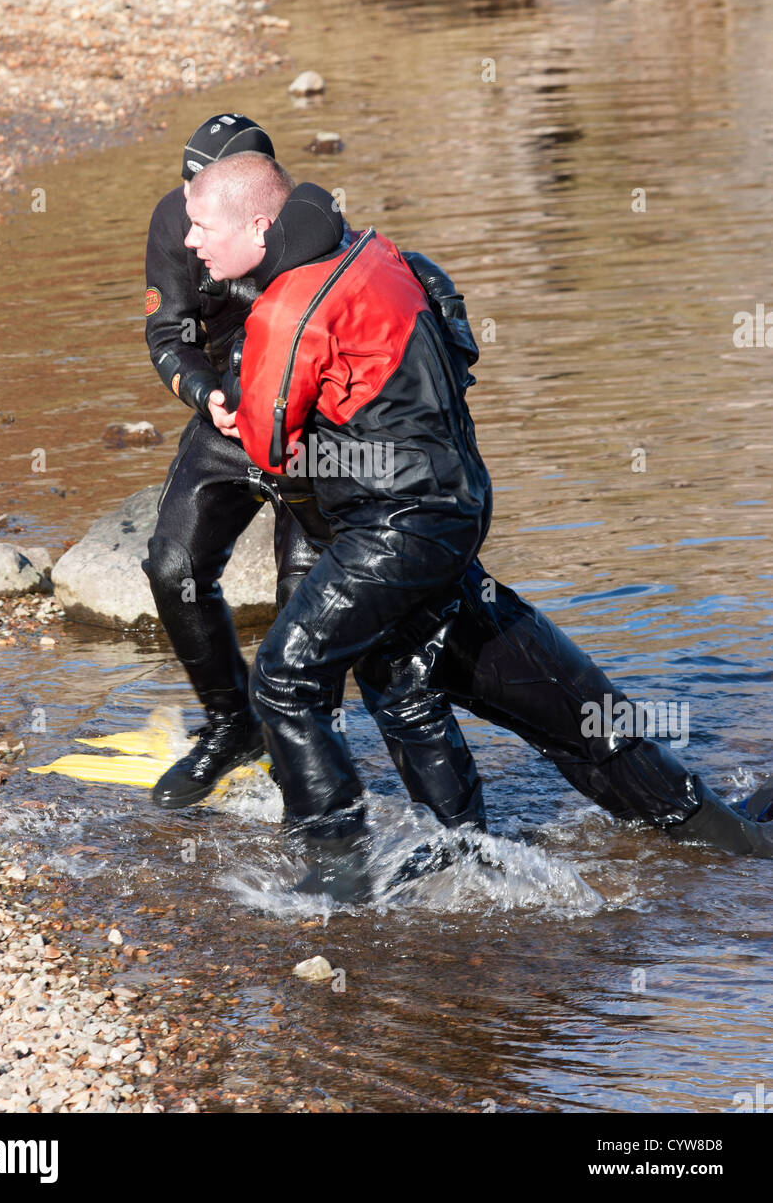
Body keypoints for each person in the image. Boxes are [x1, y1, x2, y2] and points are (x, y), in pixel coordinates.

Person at [181, 151, 773, 895]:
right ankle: (704, 830)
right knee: (467, 690)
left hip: (400, 524)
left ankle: (339, 876)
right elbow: (454, 340)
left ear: (260, 225)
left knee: (285, 679)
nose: (193, 244)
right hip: (449, 505)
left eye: (202, 226)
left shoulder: (286, 308)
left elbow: (269, 445)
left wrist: (231, 401)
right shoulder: (374, 248)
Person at [143, 114, 320, 807]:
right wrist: (203, 392)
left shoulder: (309, 229)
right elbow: (165, 333)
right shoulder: (177, 220)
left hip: (304, 423)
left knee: (302, 589)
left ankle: (299, 741)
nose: (192, 204)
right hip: (224, 408)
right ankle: (230, 723)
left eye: (205, 185)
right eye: (187, 183)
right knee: (172, 566)